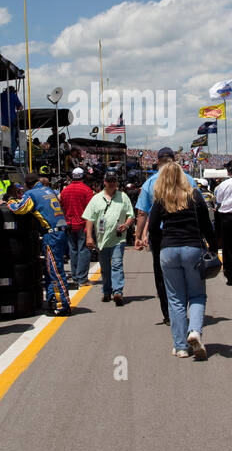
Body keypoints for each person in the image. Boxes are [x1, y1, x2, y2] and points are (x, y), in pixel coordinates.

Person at [147, 162, 217, 359]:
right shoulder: (194, 195)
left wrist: (162, 243)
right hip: (193, 248)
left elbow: (152, 228)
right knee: (196, 295)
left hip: (169, 249)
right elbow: (206, 224)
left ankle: (180, 347)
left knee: (175, 299)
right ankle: (194, 330)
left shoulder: (161, 198)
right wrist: (213, 247)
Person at [135, 147, 198, 325]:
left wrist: (139, 236)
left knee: (162, 274)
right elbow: (199, 206)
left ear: (158, 162)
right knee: (188, 273)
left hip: (161, 233)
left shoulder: (150, 182)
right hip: (187, 230)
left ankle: (169, 314)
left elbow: (142, 213)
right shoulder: (189, 179)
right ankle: (183, 310)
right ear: (174, 160)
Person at [6, 175, 73, 316]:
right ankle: (52, 300)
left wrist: (10, 201)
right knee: (50, 269)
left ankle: (63, 305)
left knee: (55, 270)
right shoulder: (49, 191)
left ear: (27, 185)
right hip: (61, 232)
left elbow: (20, 209)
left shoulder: (31, 194)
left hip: (52, 234)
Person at [83, 170, 134, 305]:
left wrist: (127, 225)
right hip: (102, 240)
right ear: (104, 182)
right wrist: (89, 237)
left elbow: (131, 215)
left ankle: (117, 292)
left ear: (117, 182)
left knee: (117, 265)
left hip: (118, 239)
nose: (111, 183)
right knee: (105, 268)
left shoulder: (123, 197)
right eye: (109, 181)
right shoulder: (96, 199)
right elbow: (89, 218)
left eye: (114, 181)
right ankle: (106, 291)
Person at [60, 167, 95, 288]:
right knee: (84, 251)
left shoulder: (65, 191)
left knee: (73, 251)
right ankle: (82, 278)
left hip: (69, 224)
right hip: (82, 224)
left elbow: (61, 207)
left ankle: (75, 277)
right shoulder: (86, 190)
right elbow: (91, 210)